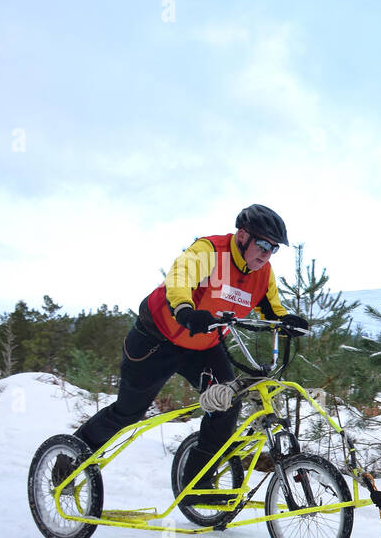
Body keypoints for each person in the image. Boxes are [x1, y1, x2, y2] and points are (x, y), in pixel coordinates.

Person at [70, 205, 309, 500]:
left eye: (273, 249)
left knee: (226, 404)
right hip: (157, 339)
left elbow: (271, 307)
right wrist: (185, 309)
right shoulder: (210, 251)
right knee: (128, 413)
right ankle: (70, 457)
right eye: (262, 245)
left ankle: (196, 483)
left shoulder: (263, 273)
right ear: (243, 236)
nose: (266, 254)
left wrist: (286, 321)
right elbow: (180, 278)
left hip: (204, 346)